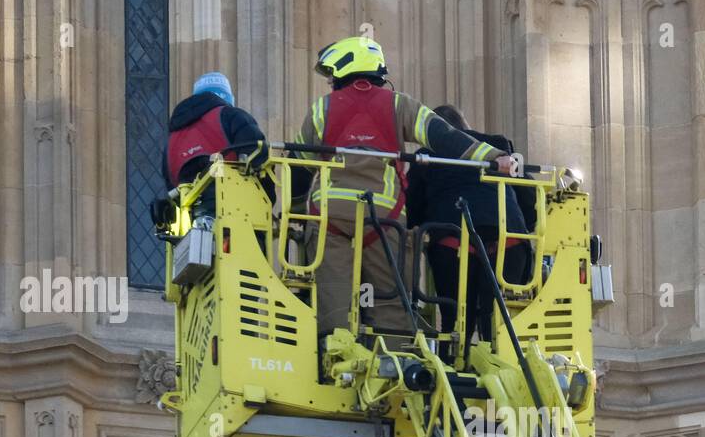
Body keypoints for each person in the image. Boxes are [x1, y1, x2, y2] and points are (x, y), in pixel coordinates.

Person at [291, 37, 515, 335]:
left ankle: (335, 363)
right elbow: (445, 136)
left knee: (334, 308)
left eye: (332, 75)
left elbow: (299, 166)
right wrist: (494, 157)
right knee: (391, 310)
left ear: (346, 68)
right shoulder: (400, 104)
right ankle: (393, 365)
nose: (331, 82)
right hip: (384, 220)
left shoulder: (321, 109)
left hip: (329, 216)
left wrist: (295, 214)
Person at [405, 104, 537, 360]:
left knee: (454, 318)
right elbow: (529, 199)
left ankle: (453, 363)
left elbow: (412, 209)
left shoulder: (427, 154)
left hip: (454, 243)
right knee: (499, 317)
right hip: (508, 240)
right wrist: (526, 226)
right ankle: (503, 360)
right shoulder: (499, 147)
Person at [164, 72, 274, 211]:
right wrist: (268, 202)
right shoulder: (232, 116)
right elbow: (259, 158)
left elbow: (171, 188)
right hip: (236, 214)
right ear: (228, 98)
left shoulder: (171, 141)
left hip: (188, 224)